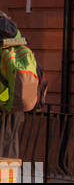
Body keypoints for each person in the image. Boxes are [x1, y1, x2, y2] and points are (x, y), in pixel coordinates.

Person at [0, 11, 41, 161]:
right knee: (9, 151)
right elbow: (38, 72)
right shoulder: (18, 41)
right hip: (16, 103)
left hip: (3, 102)